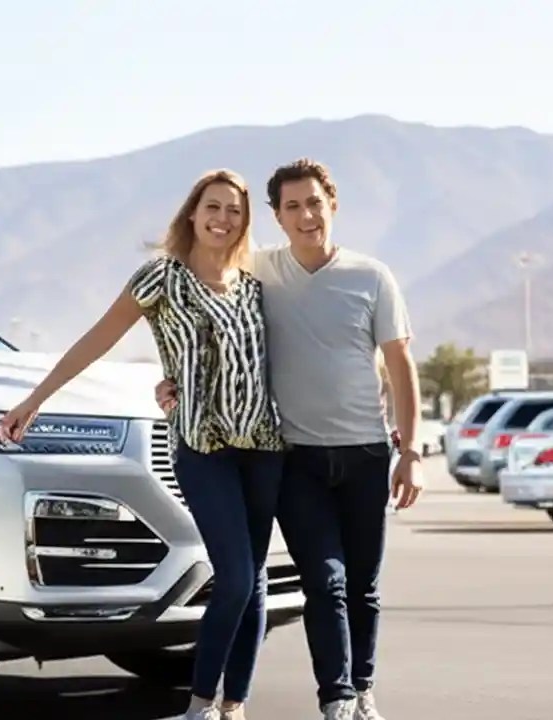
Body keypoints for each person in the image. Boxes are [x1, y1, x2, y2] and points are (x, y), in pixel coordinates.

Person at [0, 168, 287, 720]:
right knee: (233, 578)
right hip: (202, 448)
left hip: (265, 446)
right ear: (192, 213)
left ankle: (235, 706)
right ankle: (200, 705)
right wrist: (34, 400)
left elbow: (284, 360)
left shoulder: (255, 287)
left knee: (255, 584)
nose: (223, 219)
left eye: (234, 211)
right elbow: (99, 338)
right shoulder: (161, 277)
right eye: (213, 206)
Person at [156, 158, 423, 720]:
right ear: (276, 216)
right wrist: (176, 376)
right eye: (293, 206)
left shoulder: (372, 277)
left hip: (368, 454)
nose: (307, 215)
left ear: (333, 205)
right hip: (295, 456)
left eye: (315, 204)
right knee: (325, 582)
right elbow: (206, 313)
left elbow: (401, 366)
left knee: (363, 588)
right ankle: (337, 699)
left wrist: (411, 454)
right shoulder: (259, 270)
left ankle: (363, 687)